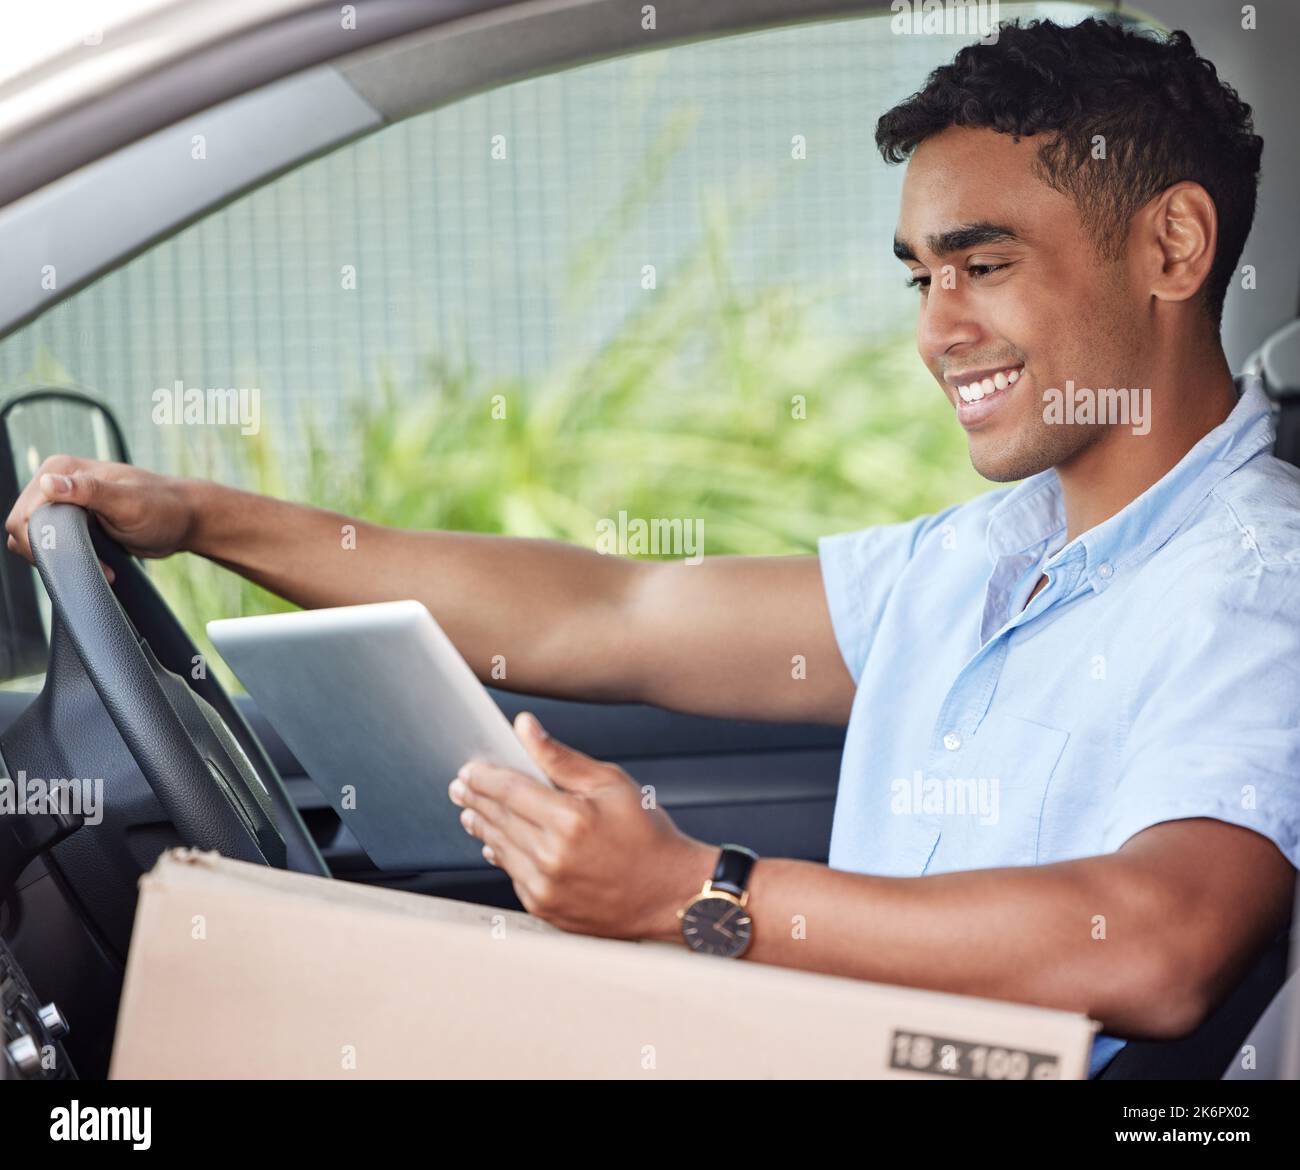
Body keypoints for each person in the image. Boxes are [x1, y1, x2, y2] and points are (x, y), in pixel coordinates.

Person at [7, 18, 1298, 1078]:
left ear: (1171, 245)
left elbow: (1157, 941)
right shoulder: (987, 553)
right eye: (921, 277)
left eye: (984, 264)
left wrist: (700, 892)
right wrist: (200, 519)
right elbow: (613, 614)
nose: (937, 329)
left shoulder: (1254, 581)